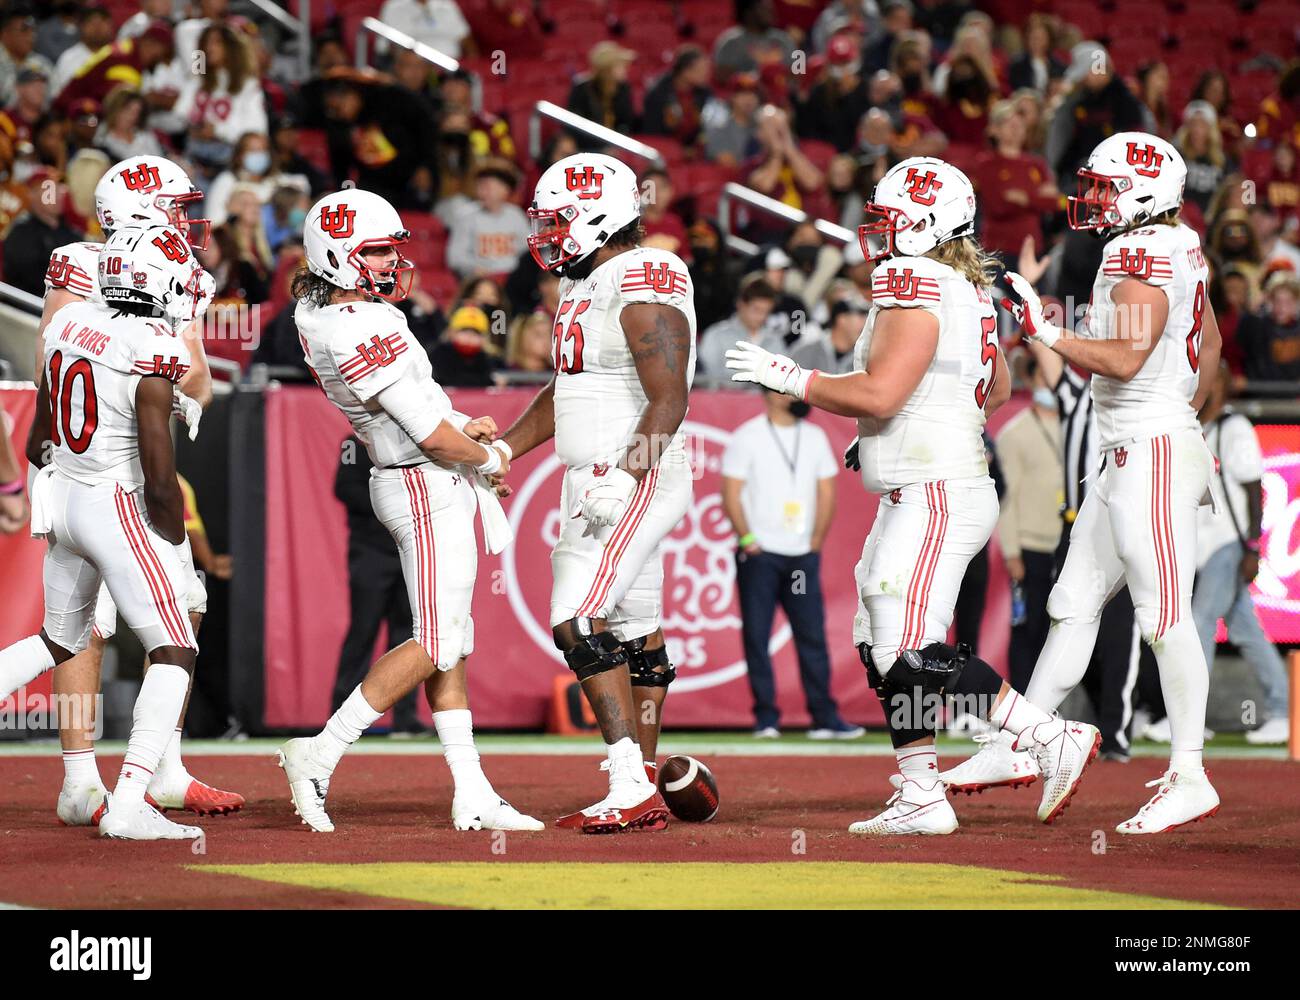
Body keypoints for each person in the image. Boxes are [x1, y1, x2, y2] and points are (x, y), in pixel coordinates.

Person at [727, 156, 1100, 836]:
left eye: (893, 217)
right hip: (929, 482)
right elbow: (992, 391)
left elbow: (880, 390)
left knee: (906, 648)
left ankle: (1047, 735)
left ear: (927, 225)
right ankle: (921, 790)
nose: (880, 230)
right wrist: (886, 433)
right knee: (880, 642)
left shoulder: (911, 277)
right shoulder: (962, 286)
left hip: (937, 491)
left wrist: (792, 376)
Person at [279, 188, 540, 834]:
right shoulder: (361, 325)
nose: (389, 262)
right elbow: (425, 436)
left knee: (451, 638)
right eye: (373, 251)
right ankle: (319, 752)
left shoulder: (325, 313)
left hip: (416, 474)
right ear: (337, 256)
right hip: (420, 481)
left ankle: (471, 789)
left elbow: (422, 411)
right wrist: (484, 458)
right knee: (436, 640)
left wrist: (459, 427)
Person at [987, 132, 1225, 835]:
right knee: (1071, 599)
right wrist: (1178, 407)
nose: (1091, 198)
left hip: (1146, 445)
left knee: (1162, 613)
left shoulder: (1140, 249)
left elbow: (1122, 359)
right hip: (1138, 441)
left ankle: (1190, 772)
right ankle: (1020, 741)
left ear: (1144, 191)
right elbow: (1207, 346)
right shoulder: (1179, 242)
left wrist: (1044, 331)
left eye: (1105, 186)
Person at [30, 155, 241, 826]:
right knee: (86, 628)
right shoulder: (83, 264)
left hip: (113, 460)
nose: (187, 221)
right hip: (100, 469)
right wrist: (150, 386)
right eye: (176, 207)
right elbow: (53, 371)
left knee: (183, 606)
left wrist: (159, 387)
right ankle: (82, 780)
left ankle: (165, 768)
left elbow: (198, 382)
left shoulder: (173, 274)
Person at [496, 152, 696, 833]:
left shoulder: (648, 270)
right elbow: (568, 390)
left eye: (558, 221)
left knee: (576, 617)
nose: (547, 234)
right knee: (634, 628)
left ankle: (626, 779)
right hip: (603, 475)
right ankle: (640, 779)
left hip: (632, 471)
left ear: (598, 216)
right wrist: (504, 449)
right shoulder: (590, 282)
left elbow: (670, 397)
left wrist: (625, 477)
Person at [0, 224, 206, 841]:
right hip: (110, 501)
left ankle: (118, 794)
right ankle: (130, 802)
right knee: (175, 650)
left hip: (59, 487)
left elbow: (39, 428)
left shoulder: (68, 323)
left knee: (59, 642)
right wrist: (169, 541)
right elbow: (160, 476)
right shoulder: (151, 347)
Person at [722, 388, 862, 739]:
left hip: (800, 556)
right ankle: (766, 718)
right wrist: (747, 539)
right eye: (784, 389)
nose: (794, 394)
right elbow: (731, 492)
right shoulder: (747, 437)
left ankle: (824, 717)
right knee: (757, 636)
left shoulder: (813, 437)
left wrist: (814, 541)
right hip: (761, 556)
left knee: (811, 634)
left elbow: (827, 491)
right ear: (769, 394)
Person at [1194, 365, 1290, 745]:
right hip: (1204, 548)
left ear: (1224, 384)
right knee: (1246, 630)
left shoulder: (1235, 428)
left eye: (1210, 378)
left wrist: (1253, 548)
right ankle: (1284, 709)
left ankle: (1188, 717)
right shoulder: (1199, 427)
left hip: (1228, 546)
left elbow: (1254, 489)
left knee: (1199, 622)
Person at [330, 437, 421, 735]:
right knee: (363, 631)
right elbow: (344, 488)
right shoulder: (356, 443)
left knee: (409, 637)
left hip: (407, 550)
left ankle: (405, 719)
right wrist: (390, 501)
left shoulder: (415, 440)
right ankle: (341, 716)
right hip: (369, 551)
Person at [995, 355, 1061, 693]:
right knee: (1027, 628)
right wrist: (1011, 552)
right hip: (1030, 546)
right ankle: (1020, 705)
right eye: (1046, 377)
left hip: (1065, 545)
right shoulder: (1015, 434)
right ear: (1033, 380)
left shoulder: (1075, 424)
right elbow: (1005, 499)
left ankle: (1050, 706)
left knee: (1062, 631)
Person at [3, 169, 83, 296]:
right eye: (50, 189)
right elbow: (25, 275)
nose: (58, 193)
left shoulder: (73, 233)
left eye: (59, 188)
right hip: (27, 305)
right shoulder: (22, 231)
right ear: (32, 193)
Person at [445, 159, 529, 280]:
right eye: (480, 186)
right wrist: (473, 268)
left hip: (512, 281)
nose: (482, 192)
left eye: (488, 187)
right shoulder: (466, 215)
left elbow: (526, 253)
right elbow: (455, 257)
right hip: (480, 280)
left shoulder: (516, 215)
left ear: (505, 189)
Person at [697, 273, 782, 377]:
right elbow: (706, 377)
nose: (762, 317)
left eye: (767, 312)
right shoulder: (716, 335)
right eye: (757, 310)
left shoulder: (775, 339)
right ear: (741, 304)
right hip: (724, 393)